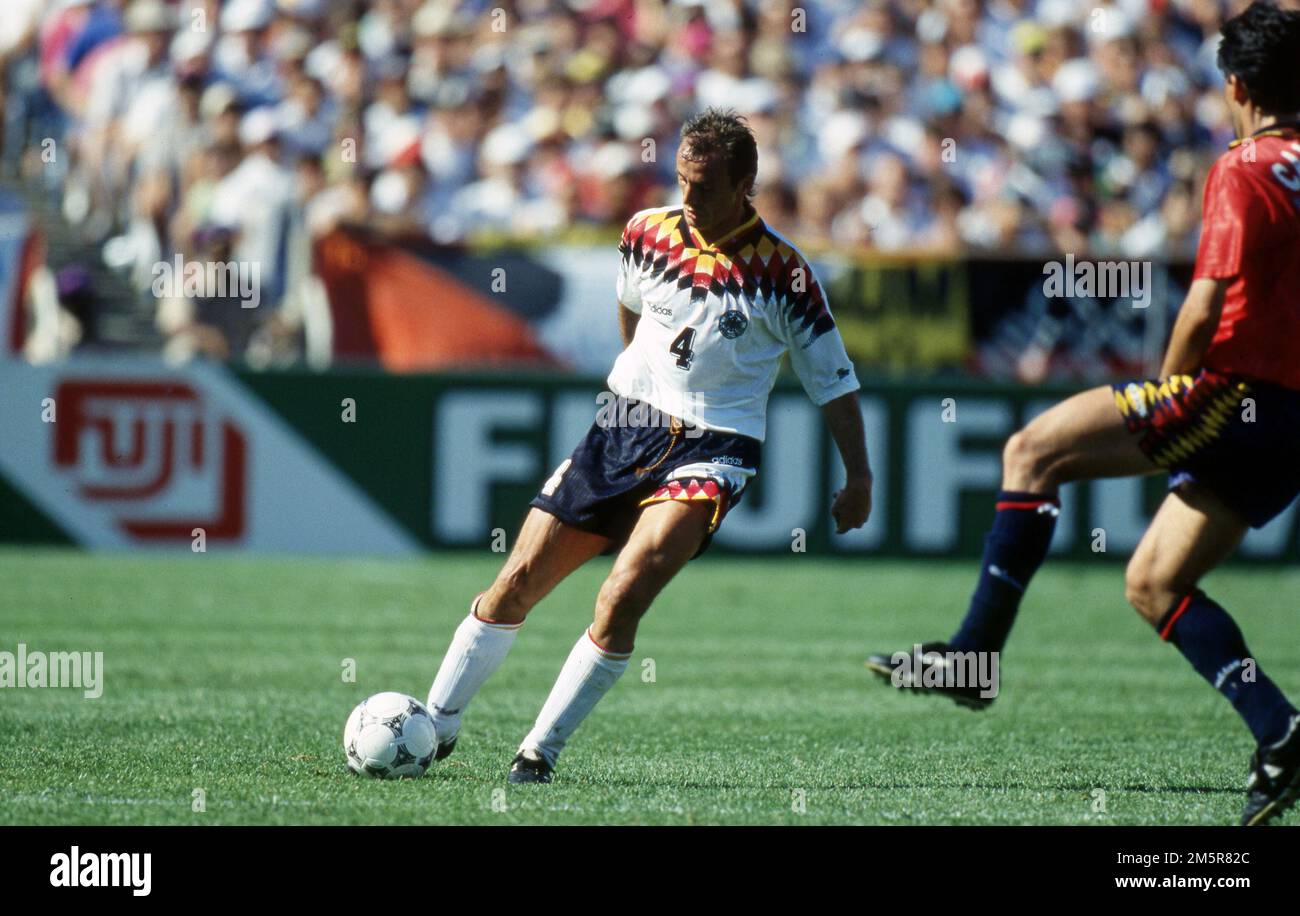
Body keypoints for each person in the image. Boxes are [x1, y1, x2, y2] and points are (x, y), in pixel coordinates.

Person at [866, 1, 1300, 826]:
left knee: (1031, 452)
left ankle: (973, 658)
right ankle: (1280, 730)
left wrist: (1171, 396)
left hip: (1232, 389)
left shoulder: (1244, 167)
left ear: (1237, 85)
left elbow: (1205, 303)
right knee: (1155, 582)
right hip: (1291, 416)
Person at [425, 108, 873, 783]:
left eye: (705, 188)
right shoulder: (645, 233)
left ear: (745, 184)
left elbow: (834, 383)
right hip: (624, 426)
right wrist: (637, 377)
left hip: (716, 447)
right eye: (683, 181)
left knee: (623, 591)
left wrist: (859, 475)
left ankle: (537, 753)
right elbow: (631, 310)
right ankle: (436, 723)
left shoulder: (787, 275)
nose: (688, 199)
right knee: (515, 584)